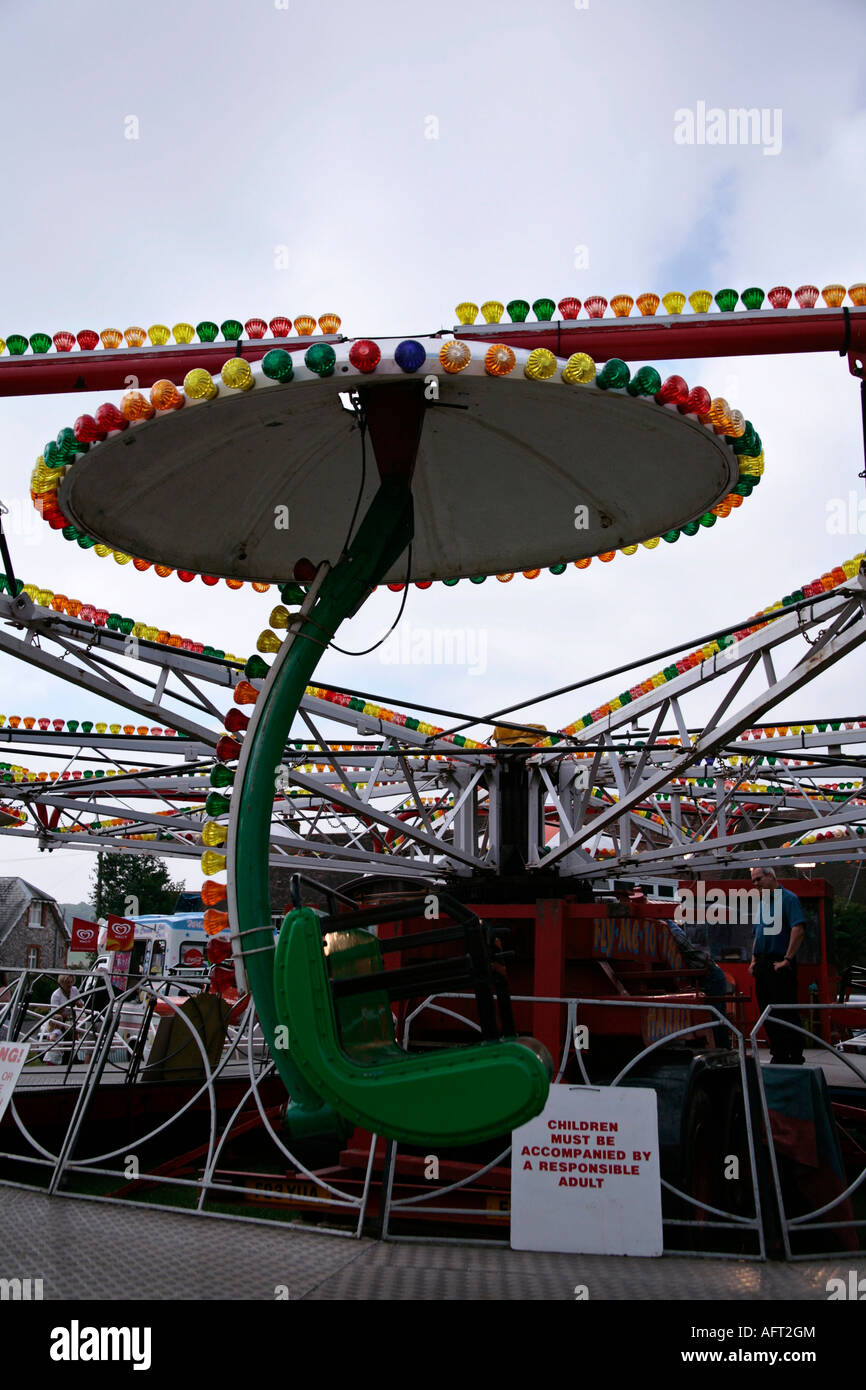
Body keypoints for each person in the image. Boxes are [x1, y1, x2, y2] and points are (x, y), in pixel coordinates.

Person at [748, 866, 806, 1064]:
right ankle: (779, 1052)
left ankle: (794, 1053)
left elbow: (798, 928)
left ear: (771, 876)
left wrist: (787, 959)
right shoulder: (763, 904)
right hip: (763, 963)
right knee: (767, 1010)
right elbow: (758, 933)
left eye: (758, 879)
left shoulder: (789, 899)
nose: (756, 884)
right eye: (753, 881)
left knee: (785, 1009)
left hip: (778, 961)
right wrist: (754, 961)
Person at [665, 920, 731, 1047]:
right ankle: (722, 1051)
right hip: (707, 973)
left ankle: (720, 1053)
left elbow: (686, 949)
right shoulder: (670, 928)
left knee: (714, 1020)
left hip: (709, 975)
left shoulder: (670, 929)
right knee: (717, 1019)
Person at [43, 974, 81, 1065]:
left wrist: (79, 1003)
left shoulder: (74, 990)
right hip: (60, 1021)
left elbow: (81, 1003)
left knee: (73, 1039)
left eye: (71, 982)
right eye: (67, 982)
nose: (70, 985)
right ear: (61, 983)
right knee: (61, 1039)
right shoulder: (56, 995)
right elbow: (54, 1013)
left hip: (72, 1019)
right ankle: (60, 1061)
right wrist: (63, 1012)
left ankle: (71, 1060)